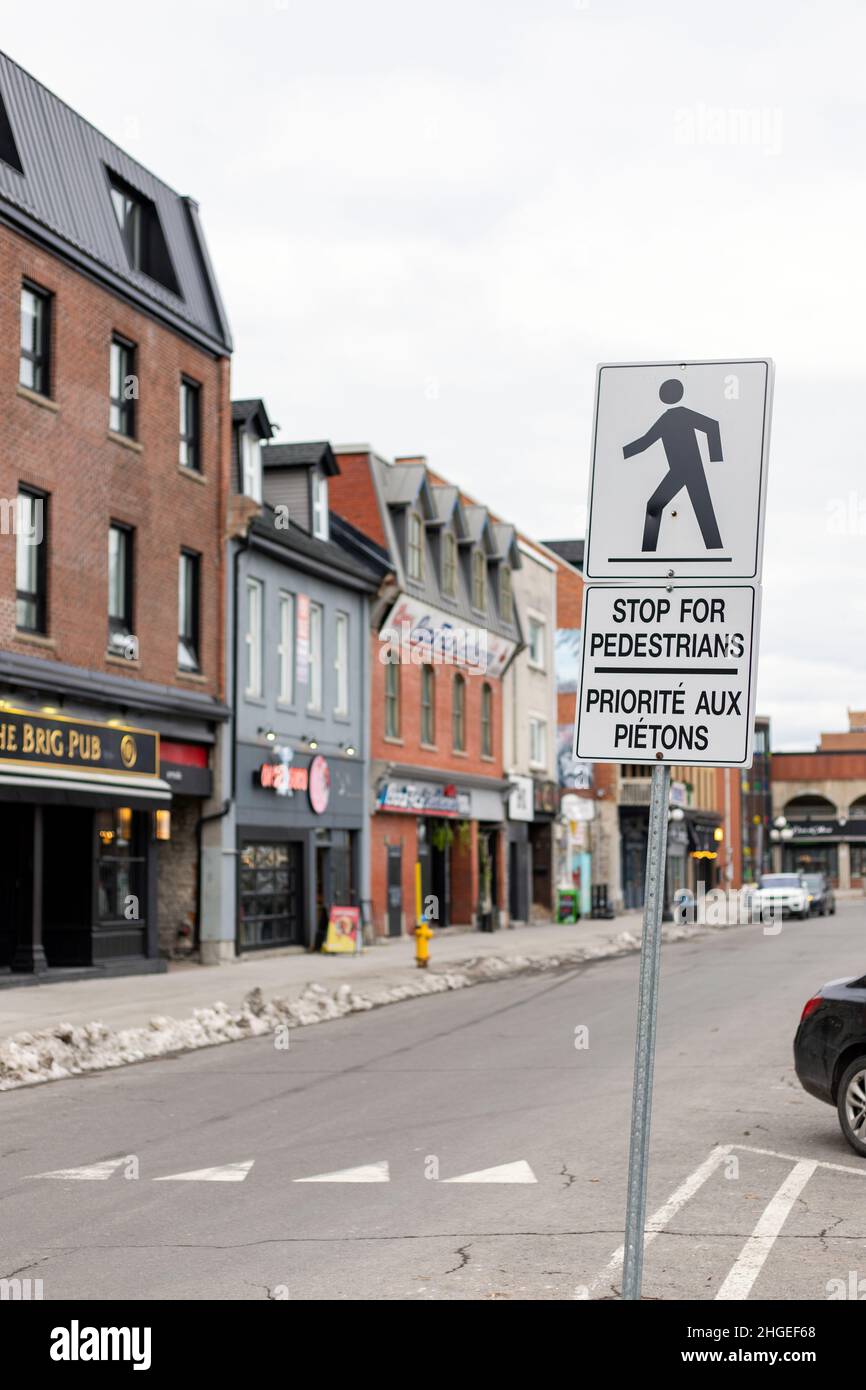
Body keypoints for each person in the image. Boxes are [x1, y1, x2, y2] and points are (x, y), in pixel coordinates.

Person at [623, 378, 724, 552]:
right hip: (681, 470)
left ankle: (648, 552)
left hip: (690, 469)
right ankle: (648, 552)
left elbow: (712, 426)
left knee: (700, 509)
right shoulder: (667, 418)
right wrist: (621, 453)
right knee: (660, 506)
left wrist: (715, 459)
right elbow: (646, 442)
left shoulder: (680, 414)